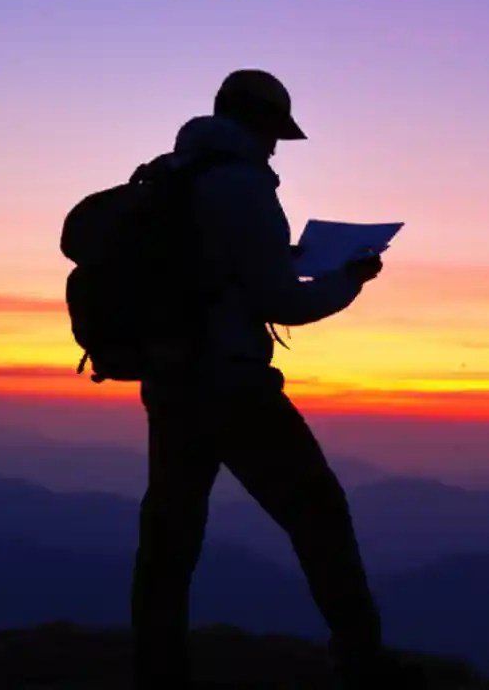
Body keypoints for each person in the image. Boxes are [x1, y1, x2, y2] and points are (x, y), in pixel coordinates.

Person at [130, 69, 401, 688]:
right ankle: (364, 665)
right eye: (276, 132)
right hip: (233, 385)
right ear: (260, 125)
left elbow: (225, 267)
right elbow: (285, 303)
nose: (279, 146)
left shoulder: (175, 173)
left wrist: (287, 262)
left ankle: (157, 669)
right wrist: (349, 280)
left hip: (172, 381)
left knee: (170, 534)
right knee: (319, 515)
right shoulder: (242, 185)